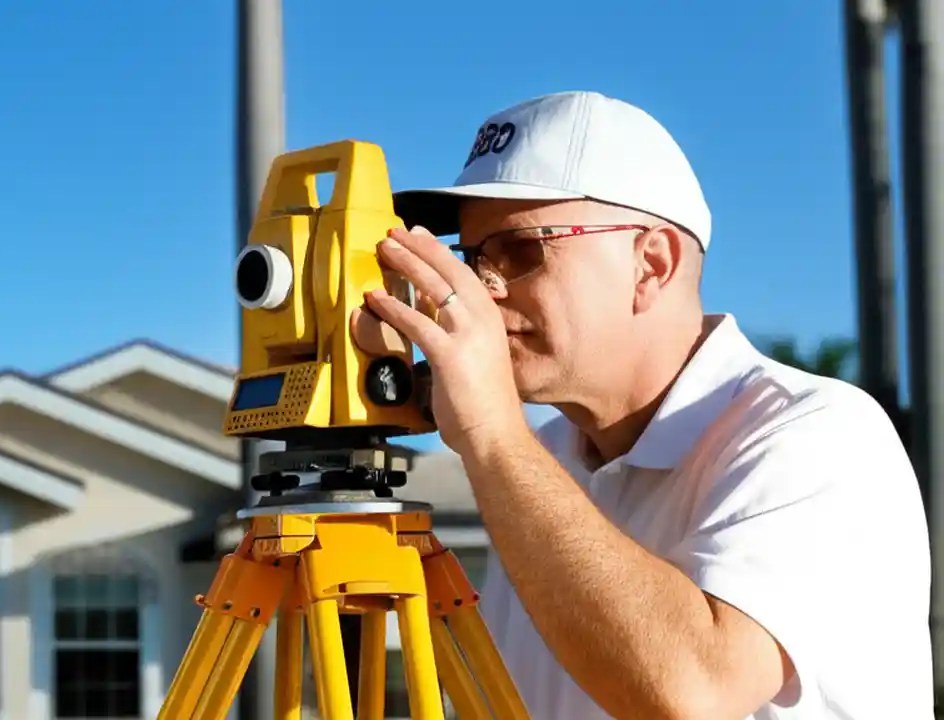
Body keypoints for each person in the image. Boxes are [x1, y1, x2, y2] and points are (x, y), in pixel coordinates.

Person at [352, 90, 933, 718]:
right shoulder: (546, 459)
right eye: (472, 258)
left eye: (519, 251)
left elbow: (689, 693)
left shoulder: (813, 434)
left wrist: (493, 435)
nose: (481, 290)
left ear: (651, 264)